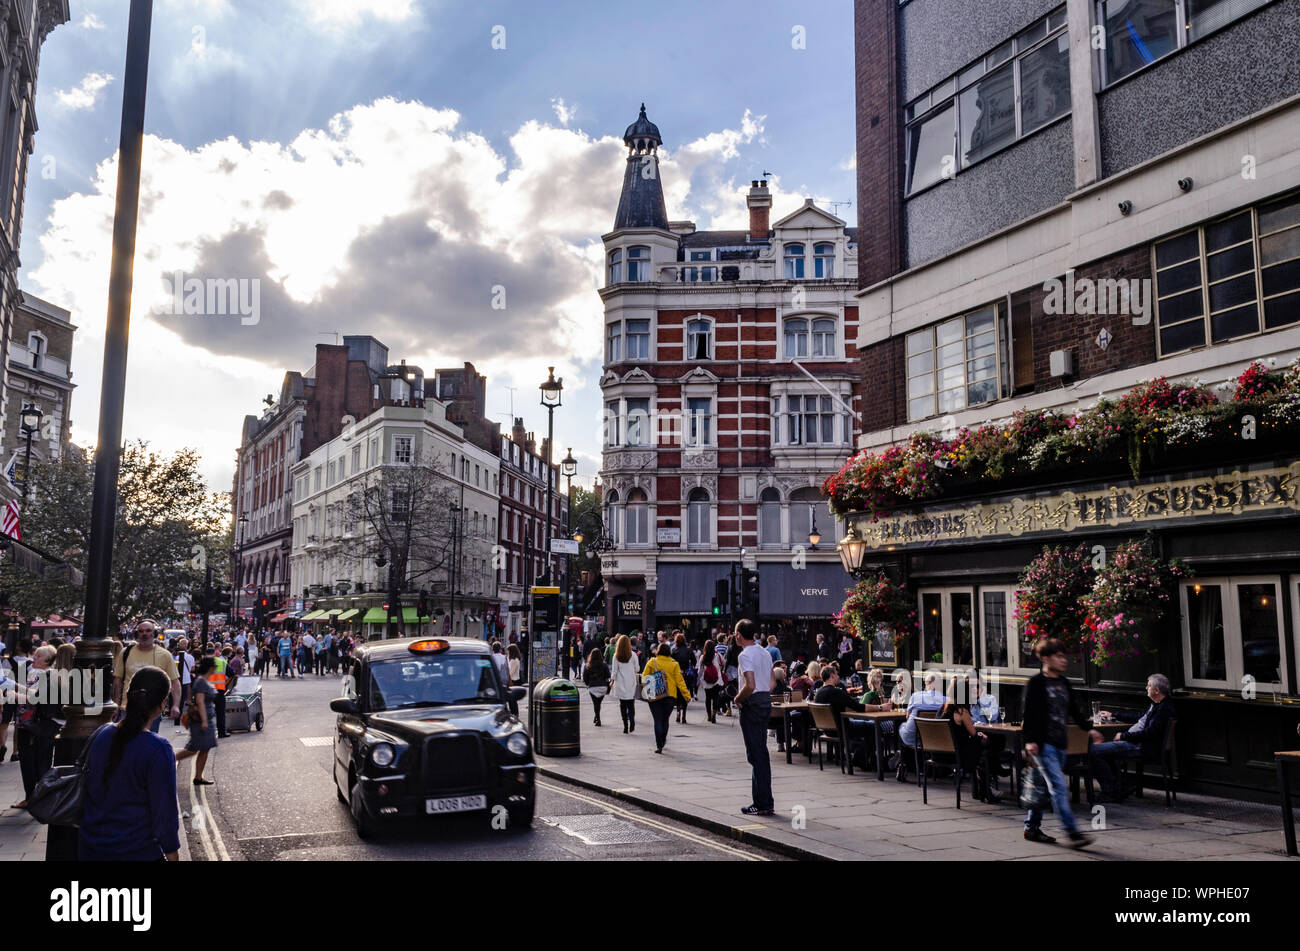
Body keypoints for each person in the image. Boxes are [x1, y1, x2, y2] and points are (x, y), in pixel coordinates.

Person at [79, 666, 181, 861]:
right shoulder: (158, 749)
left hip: (91, 849)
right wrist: (173, 856)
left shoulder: (101, 734)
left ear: (128, 695)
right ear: (163, 704)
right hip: (137, 851)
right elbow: (164, 815)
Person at [1022, 638, 1094, 848]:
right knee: (1059, 787)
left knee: (1045, 785)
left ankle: (1031, 827)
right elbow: (1029, 713)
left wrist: (1090, 730)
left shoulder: (1064, 682)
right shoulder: (1036, 683)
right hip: (1044, 745)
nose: (1064, 660)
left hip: (1061, 743)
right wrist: (1030, 741)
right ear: (1046, 659)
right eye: (1059, 656)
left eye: (1064, 656)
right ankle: (1073, 833)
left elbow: (1074, 711)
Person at [1090, 673, 1176, 801]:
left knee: (1093, 751)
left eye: (1149, 685)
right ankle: (1118, 787)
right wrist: (1113, 714)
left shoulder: (1163, 709)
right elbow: (1138, 718)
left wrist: (1124, 736)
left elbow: (1149, 734)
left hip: (1143, 748)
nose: (1146, 688)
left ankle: (1110, 792)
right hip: (1139, 744)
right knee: (1103, 751)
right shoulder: (1158, 705)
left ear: (1157, 690)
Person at [733, 619, 774, 817]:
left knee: (756, 755)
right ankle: (764, 801)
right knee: (760, 753)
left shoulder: (744, 655)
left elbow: (749, 684)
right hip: (765, 701)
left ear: (739, 635)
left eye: (735, 633)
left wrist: (738, 698)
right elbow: (772, 682)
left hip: (753, 704)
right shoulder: (765, 652)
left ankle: (762, 802)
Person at [939, 676, 1001, 803]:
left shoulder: (945, 708)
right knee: (987, 746)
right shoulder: (962, 711)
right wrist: (981, 736)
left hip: (941, 753)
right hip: (959, 754)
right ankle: (986, 789)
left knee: (983, 746)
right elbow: (973, 733)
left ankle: (980, 789)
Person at [112, 621, 180, 733]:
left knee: (148, 745)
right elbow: (118, 680)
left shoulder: (164, 655)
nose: (144, 634)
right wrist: (116, 704)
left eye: (148, 631)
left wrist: (176, 705)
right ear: (137, 634)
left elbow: (175, 682)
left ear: (154, 634)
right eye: (141, 631)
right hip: (127, 709)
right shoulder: (125, 653)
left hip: (152, 712)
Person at [11, 645, 58, 809]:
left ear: (46, 660)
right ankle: (35, 797)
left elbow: (33, 698)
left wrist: (11, 693)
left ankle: (34, 797)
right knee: (34, 761)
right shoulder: (38, 673)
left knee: (33, 762)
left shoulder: (45, 675)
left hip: (33, 725)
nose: (33, 658)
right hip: (30, 724)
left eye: (38, 656)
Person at [894, 670, 946, 782]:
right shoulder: (945, 701)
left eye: (925, 683)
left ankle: (902, 763)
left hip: (913, 737)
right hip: (935, 740)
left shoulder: (916, 697)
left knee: (900, 726)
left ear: (928, 683)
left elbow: (908, 717)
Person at [176, 657, 218, 785]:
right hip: (200, 721)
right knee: (193, 748)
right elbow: (200, 702)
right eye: (214, 665)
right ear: (210, 667)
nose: (216, 667)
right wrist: (204, 721)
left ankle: (198, 777)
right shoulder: (200, 682)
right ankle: (170, 759)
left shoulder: (206, 681)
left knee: (205, 748)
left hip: (208, 719)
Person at [642, 642, 690, 754]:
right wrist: (686, 695)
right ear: (669, 652)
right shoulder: (674, 664)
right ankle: (663, 739)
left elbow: (644, 676)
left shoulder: (652, 662)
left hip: (655, 694)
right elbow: (680, 681)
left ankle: (659, 745)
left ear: (658, 651)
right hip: (670, 696)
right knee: (665, 719)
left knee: (657, 720)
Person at [609, 635, 640, 734]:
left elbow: (614, 671)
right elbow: (637, 669)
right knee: (631, 704)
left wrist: (612, 681)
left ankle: (625, 726)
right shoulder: (633, 655)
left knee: (622, 705)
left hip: (620, 683)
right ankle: (632, 722)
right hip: (631, 682)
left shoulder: (616, 656)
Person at [698, 640, 724, 724]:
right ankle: (714, 714)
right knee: (716, 697)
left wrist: (699, 680)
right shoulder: (717, 655)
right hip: (717, 680)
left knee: (708, 698)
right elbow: (723, 663)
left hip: (707, 681)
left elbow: (700, 670)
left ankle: (709, 715)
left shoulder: (703, 657)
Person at [671, 632, 695, 724]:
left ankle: (678, 712)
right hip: (686, 674)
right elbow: (694, 661)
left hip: (677, 675)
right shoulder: (689, 650)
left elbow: (671, 662)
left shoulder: (674, 651)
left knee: (678, 694)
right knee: (685, 693)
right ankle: (684, 715)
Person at [583, 649, 610, 726]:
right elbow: (608, 676)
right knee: (598, 703)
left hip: (593, 687)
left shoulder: (588, 665)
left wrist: (588, 684)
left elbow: (585, 678)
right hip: (602, 687)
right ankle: (596, 716)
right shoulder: (604, 665)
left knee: (595, 703)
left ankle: (598, 719)